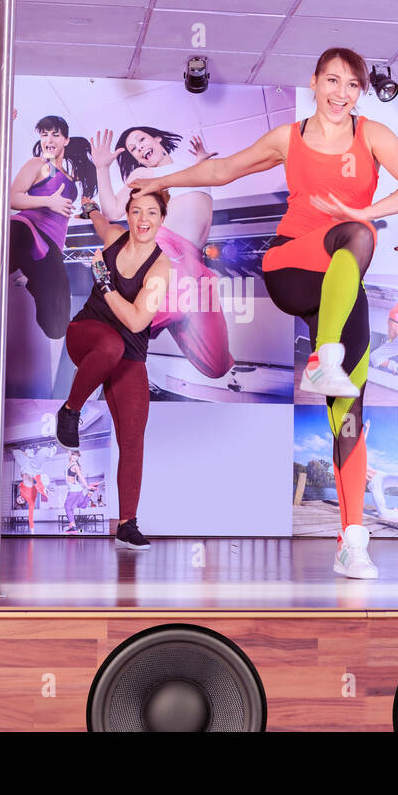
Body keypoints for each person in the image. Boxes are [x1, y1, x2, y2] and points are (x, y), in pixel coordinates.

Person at [135, 47, 398, 578]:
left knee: (350, 413)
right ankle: (325, 355)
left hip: (342, 283)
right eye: (332, 81)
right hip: (291, 265)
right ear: (315, 82)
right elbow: (225, 169)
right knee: (358, 233)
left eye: (352, 85)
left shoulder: (373, 135)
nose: (341, 93)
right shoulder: (289, 138)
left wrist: (369, 208)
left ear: (360, 92)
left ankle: (352, 541)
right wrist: (163, 182)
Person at [53, 190, 172, 550]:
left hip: (129, 355)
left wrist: (104, 283)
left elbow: (136, 321)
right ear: (130, 215)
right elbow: (102, 223)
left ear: (161, 219)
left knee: (133, 440)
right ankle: (70, 410)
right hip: (87, 337)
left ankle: (127, 523)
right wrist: (90, 209)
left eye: (151, 212)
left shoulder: (160, 267)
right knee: (110, 345)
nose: (142, 218)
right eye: (136, 211)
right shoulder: (117, 238)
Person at [90, 126, 234, 378]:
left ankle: (121, 328)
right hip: (167, 251)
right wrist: (102, 168)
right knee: (136, 324)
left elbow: (199, 186)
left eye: (142, 139)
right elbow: (112, 211)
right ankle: (103, 338)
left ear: (157, 138)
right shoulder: (146, 173)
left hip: (195, 262)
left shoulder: (192, 169)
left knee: (217, 365)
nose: (139, 148)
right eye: (133, 148)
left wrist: (201, 166)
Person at [3, 116, 97, 339]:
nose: (49, 139)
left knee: (56, 328)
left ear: (66, 140)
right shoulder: (37, 164)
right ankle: (6, 270)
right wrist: (48, 202)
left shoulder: (70, 177)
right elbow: (11, 198)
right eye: (44, 134)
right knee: (16, 233)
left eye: (55, 134)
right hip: (27, 229)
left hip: (52, 246)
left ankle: (28, 278)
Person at [61, 450, 101, 534]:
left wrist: (86, 486)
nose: (75, 457)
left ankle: (73, 527)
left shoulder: (75, 465)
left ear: (78, 458)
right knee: (81, 505)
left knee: (67, 507)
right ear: (71, 455)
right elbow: (68, 450)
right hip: (77, 489)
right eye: (74, 455)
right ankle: (90, 492)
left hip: (74, 489)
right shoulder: (70, 461)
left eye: (77, 456)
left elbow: (81, 476)